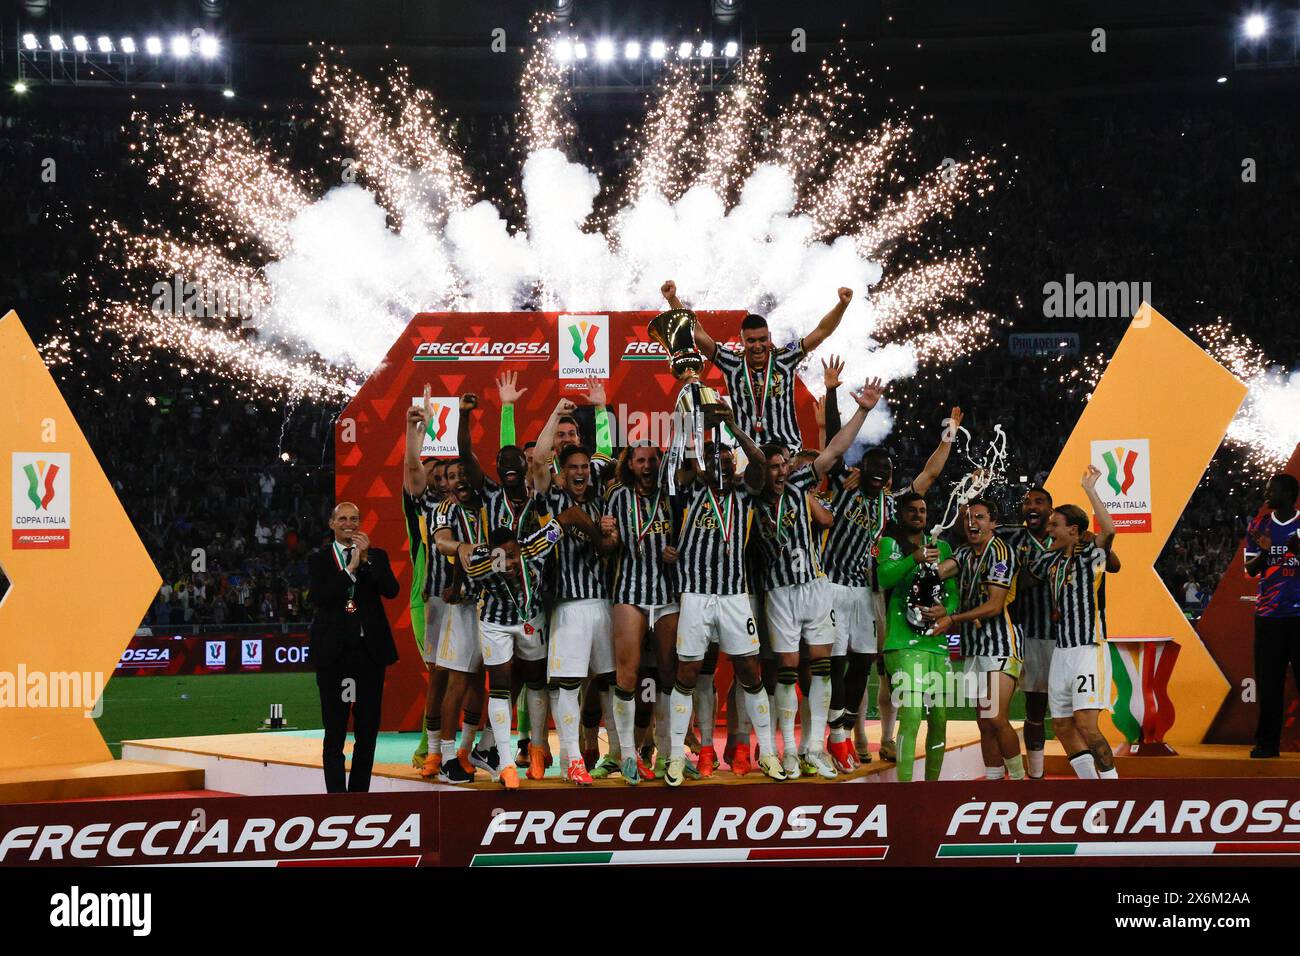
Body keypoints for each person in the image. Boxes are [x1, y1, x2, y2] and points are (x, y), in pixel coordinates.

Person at [753, 379, 884, 778]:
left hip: (815, 585)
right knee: (787, 669)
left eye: (782, 465)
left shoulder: (800, 485)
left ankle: (814, 749)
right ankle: (788, 751)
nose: (778, 472)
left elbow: (836, 450)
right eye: (771, 466)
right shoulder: (750, 496)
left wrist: (862, 411)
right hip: (778, 591)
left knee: (823, 668)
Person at [666, 408, 785, 786]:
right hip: (695, 596)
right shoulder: (689, 489)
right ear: (704, 466)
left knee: (750, 672)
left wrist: (733, 425)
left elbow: (761, 461)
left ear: (735, 464)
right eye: (714, 461)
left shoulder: (745, 494)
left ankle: (766, 753)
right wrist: (693, 412)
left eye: (727, 461)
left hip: (735, 596)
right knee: (687, 674)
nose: (721, 468)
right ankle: (673, 758)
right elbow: (684, 457)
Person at [661, 278, 851, 451]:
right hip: (748, 453)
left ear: (769, 338)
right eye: (751, 341)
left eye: (762, 339)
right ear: (741, 340)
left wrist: (842, 305)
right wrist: (673, 300)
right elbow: (698, 333)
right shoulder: (731, 361)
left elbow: (822, 331)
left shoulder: (785, 358)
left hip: (788, 450)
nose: (758, 346)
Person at [532, 400, 617, 786]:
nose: (580, 473)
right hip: (567, 606)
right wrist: (555, 416)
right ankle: (571, 758)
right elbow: (536, 461)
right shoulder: (550, 498)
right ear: (561, 474)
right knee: (567, 685)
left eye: (584, 468)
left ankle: (621, 755)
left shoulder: (600, 500)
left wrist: (609, 537)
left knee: (612, 683)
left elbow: (606, 454)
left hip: (603, 604)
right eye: (573, 469)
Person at [1022, 467, 1119, 779]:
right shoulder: (1050, 560)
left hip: (1089, 650)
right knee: (1062, 725)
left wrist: (1090, 489)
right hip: (1061, 652)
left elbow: (1109, 530)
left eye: (1055, 525)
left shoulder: (1092, 555)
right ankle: (1092, 790)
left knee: (1087, 725)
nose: (1049, 530)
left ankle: (1113, 795)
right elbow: (1023, 578)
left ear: (1074, 530)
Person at [922, 498, 1024, 780]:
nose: (971, 522)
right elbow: (940, 571)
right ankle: (994, 783)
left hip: (1001, 644)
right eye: (967, 517)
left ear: (993, 523)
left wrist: (952, 619)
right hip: (974, 648)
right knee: (984, 722)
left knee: (995, 717)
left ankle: (1019, 782)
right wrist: (924, 560)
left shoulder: (1000, 553)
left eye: (979, 517)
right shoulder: (965, 553)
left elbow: (993, 605)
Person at [308, 501, 399, 793]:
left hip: (368, 654)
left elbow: (391, 590)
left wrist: (367, 559)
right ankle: (337, 799)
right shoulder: (319, 560)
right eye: (343, 518)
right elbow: (321, 597)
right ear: (332, 523)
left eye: (355, 519)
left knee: (367, 731)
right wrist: (349, 569)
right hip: (334, 655)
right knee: (334, 731)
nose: (350, 523)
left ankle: (359, 797)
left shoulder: (377, 556)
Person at [602, 443, 675, 784]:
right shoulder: (616, 497)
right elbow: (607, 544)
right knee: (627, 676)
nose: (647, 465)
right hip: (629, 592)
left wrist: (678, 553)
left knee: (669, 676)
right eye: (641, 460)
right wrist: (610, 536)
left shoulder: (672, 492)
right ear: (629, 465)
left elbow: (686, 535)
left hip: (667, 594)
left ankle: (668, 752)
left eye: (652, 459)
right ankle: (627, 754)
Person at [876, 493, 958, 781]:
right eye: (911, 510)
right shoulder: (890, 544)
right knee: (911, 715)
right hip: (900, 642)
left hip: (935, 643)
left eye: (923, 510)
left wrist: (945, 610)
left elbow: (953, 592)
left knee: (939, 718)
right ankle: (905, 787)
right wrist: (914, 558)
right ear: (900, 514)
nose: (918, 515)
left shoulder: (942, 546)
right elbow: (883, 579)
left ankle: (932, 788)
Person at [1244, 472, 1300, 758]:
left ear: (1289, 495)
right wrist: (1265, 553)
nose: (1267, 494)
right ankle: (1267, 744)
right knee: (1269, 683)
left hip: (1298, 617)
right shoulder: (1259, 525)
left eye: (1272, 490)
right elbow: (1250, 570)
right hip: (1268, 616)